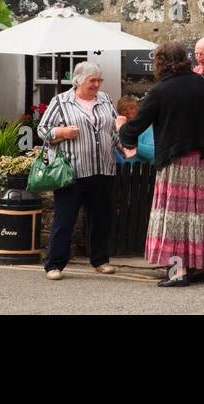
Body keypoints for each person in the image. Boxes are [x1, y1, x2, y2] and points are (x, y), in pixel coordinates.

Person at [120, 40, 204, 288]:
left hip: (175, 160)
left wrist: (121, 131)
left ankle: (178, 272)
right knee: (201, 215)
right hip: (203, 159)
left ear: (161, 63)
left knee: (176, 218)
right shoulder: (202, 83)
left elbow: (136, 126)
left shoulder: (160, 91)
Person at [35, 61, 125, 280]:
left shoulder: (105, 99)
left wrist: (125, 145)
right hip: (72, 170)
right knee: (65, 219)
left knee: (101, 219)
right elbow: (42, 130)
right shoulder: (61, 101)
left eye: (99, 80)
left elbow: (114, 129)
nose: (96, 85)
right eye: (91, 81)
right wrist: (62, 132)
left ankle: (100, 260)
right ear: (78, 81)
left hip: (103, 168)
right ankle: (54, 265)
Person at [114, 95, 155, 165]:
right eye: (124, 109)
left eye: (131, 108)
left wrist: (132, 144)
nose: (128, 112)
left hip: (139, 172)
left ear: (137, 110)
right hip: (116, 171)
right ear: (119, 112)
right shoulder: (114, 127)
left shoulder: (146, 128)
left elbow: (152, 153)